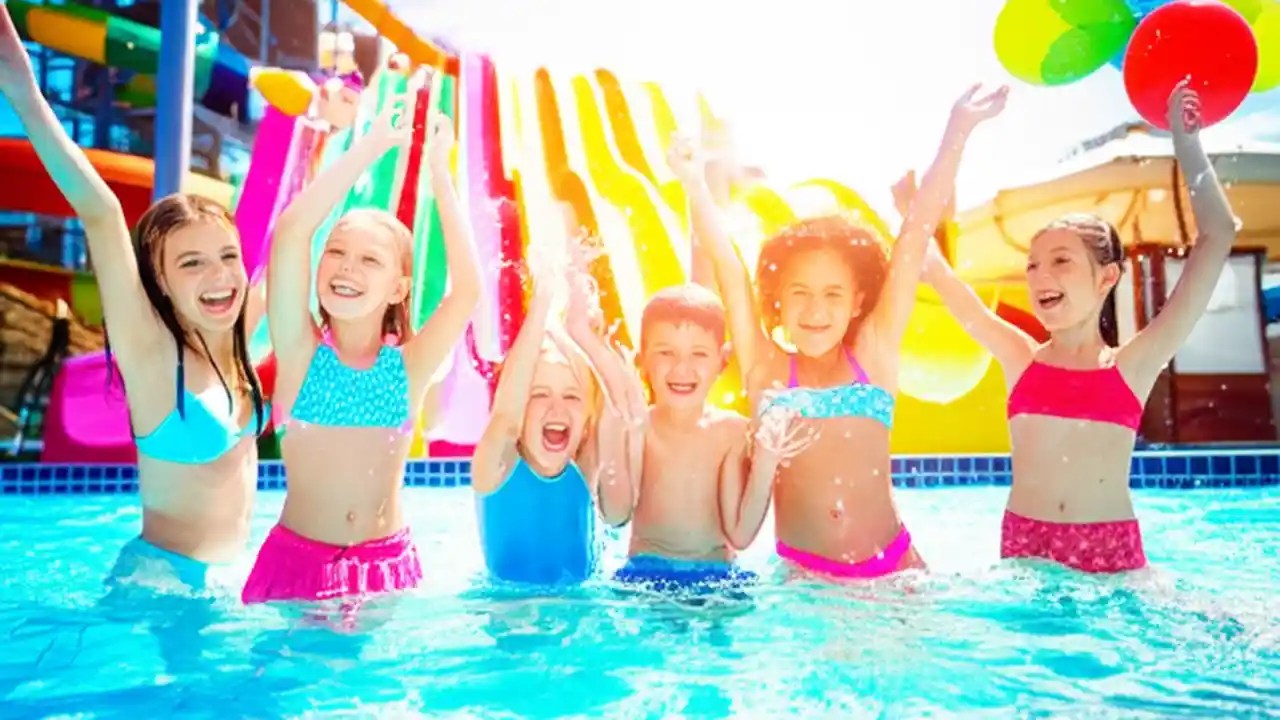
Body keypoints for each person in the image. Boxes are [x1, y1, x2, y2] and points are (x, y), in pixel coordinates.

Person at [668, 84, 1007, 579]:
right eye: (799, 293)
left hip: (895, 570)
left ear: (857, 303)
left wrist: (958, 130)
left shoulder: (873, 352)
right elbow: (728, 267)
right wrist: (694, 185)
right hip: (806, 577)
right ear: (778, 301)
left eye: (832, 295)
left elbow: (914, 236)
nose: (815, 310)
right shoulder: (766, 366)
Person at [1, 4, 267, 592]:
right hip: (161, 592)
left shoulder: (243, 338)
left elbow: (296, 229)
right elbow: (100, 213)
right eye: (191, 263)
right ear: (162, 283)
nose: (219, 276)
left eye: (227, 257)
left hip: (221, 588)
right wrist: (24, 94)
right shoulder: (153, 356)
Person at [919, 83, 1234, 573]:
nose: (1040, 276)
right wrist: (957, 132)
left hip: (1110, 557)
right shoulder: (1018, 357)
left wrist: (1185, 143)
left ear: (1107, 277)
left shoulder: (1134, 364)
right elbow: (931, 264)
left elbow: (1218, 236)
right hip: (1027, 552)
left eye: (1061, 261)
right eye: (1033, 266)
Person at [241, 74, 482, 603]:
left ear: (399, 285)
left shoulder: (409, 367)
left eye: (369, 259)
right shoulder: (301, 353)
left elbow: (467, 289)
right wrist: (368, 149)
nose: (347, 268)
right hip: (297, 563)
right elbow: (291, 233)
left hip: (386, 569)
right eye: (337, 252)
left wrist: (440, 172)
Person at [615, 283, 811, 592]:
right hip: (645, 576)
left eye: (699, 354)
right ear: (642, 360)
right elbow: (616, 513)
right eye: (666, 352)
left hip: (716, 577)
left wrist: (766, 462)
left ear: (722, 360)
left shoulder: (732, 433)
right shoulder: (639, 427)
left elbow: (741, 534)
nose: (683, 368)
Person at [471, 239, 641, 585]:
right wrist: (542, 303)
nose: (557, 408)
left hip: (579, 621)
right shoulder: (495, 467)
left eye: (572, 397)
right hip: (514, 624)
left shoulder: (585, 466)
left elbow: (616, 410)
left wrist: (583, 333)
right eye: (539, 394)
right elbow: (505, 415)